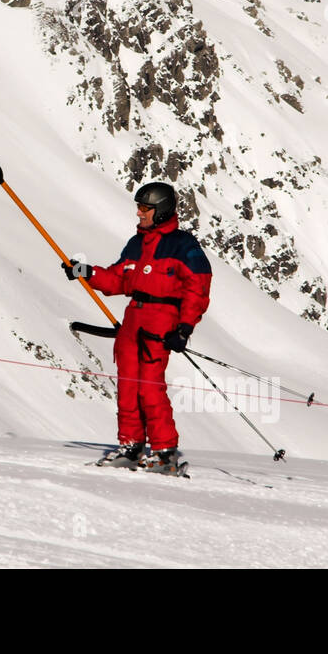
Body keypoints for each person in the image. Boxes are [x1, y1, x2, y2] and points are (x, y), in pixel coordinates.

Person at [62, 182, 212, 473]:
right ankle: (131, 447)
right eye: (139, 207)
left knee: (150, 387)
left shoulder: (183, 246)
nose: (139, 213)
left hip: (161, 318)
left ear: (161, 210)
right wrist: (86, 272)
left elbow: (198, 287)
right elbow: (118, 279)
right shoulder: (136, 244)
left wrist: (183, 328)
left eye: (145, 208)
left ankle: (164, 452)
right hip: (134, 317)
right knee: (128, 386)